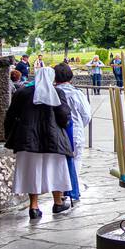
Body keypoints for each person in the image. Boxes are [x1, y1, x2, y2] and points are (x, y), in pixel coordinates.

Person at [4, 66, 73, 221]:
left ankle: (34, 207)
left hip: (28, 139)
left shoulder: (22, 93)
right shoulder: (57, 93)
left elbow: (10, 115)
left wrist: (10, 136)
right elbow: (64, 116)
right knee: (56, 170)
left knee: (31, 172)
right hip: (53, 139)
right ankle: (57, 202)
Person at [53, 63, 92, 200]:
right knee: (76, 159)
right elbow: (86, 114)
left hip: (56, 133)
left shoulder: (52, 94)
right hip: (75, 131)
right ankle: (72, 189)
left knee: (59, 162)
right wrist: (80, 125)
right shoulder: (76, 94)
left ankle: (61, 191)